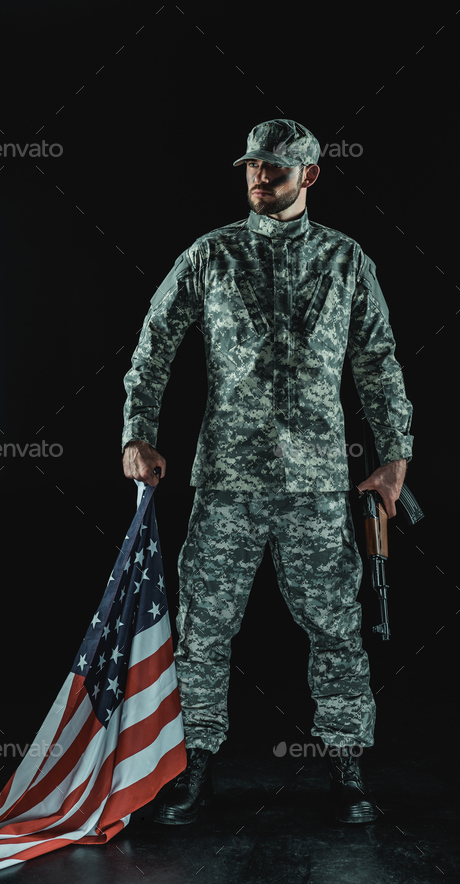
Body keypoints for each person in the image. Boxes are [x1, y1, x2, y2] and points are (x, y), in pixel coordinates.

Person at [121, 119, 413, 826]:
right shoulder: (211, 254)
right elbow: (154, 342)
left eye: (276, 170)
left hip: (316, 483)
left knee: (336, 627)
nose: (260, 178)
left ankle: (347, 767)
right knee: (204, 629)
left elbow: (377, 362)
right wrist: (138, 432)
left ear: (309, 175)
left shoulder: (346, 260)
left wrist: (393, 456)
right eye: (253, 166)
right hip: (227, 480)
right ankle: (195, 768)